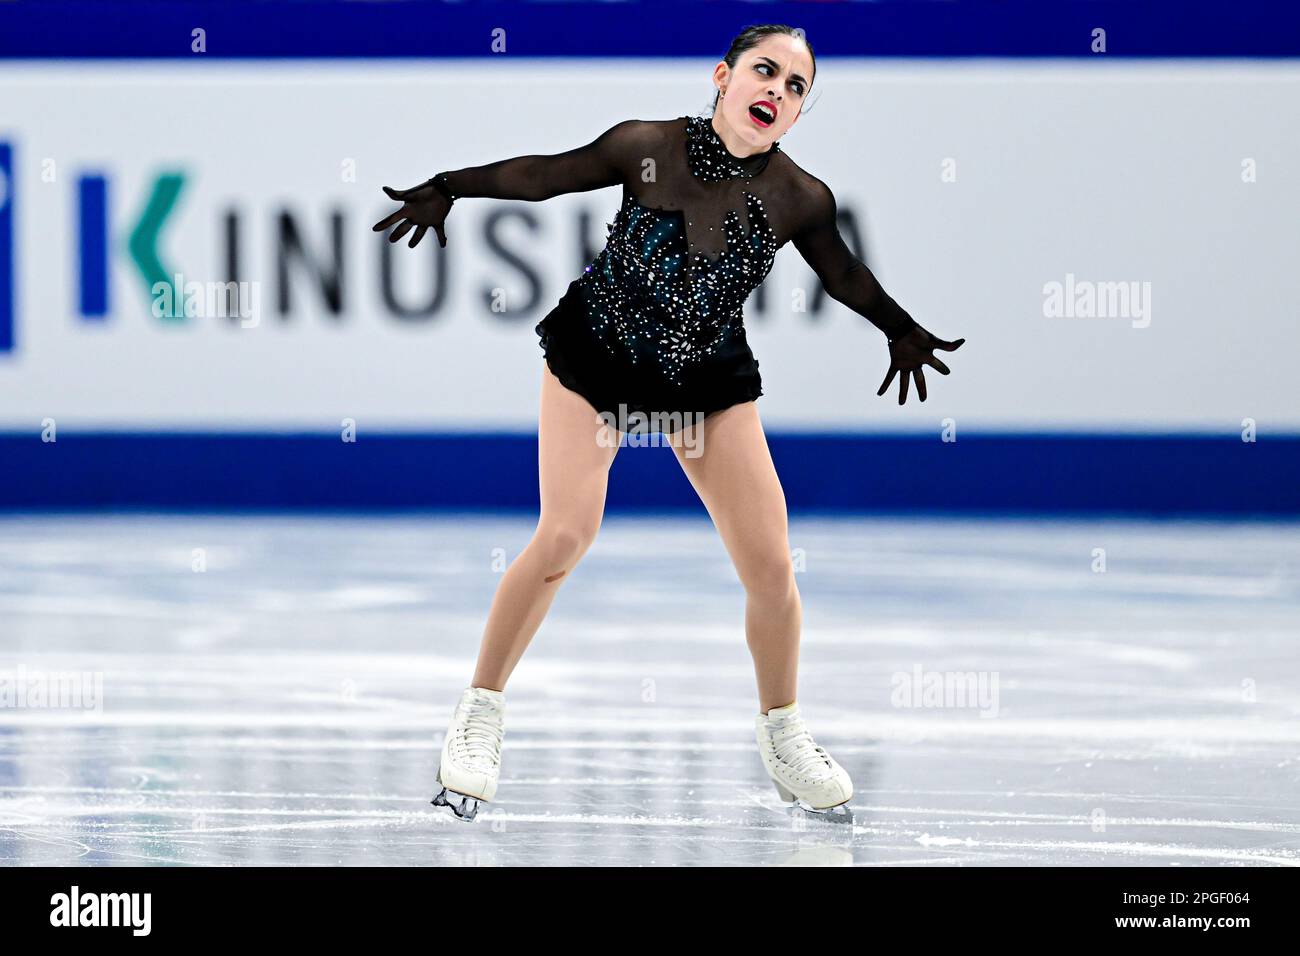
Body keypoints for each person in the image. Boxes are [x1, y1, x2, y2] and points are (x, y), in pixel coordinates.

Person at [373, 24, 964, 822]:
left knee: (771, 566)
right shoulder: (646, 146)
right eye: (766, 71)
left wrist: (898, 325)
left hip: (706, 384)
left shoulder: (799, 198)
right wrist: (451, 183)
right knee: (565, 536)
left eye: (796, 88)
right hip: (597, 362)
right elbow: (546, 177)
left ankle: (783, 732)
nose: (778, 92)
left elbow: (843, 273)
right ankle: (479, 711)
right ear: (722, 76)